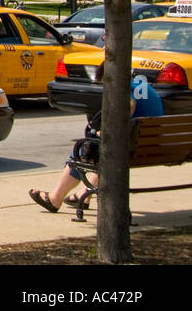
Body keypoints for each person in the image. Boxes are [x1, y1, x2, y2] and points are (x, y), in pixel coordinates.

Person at [30, 72, 164, 213]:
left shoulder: (123, 87)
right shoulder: (143, 86)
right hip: (151, 147)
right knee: (105, 154)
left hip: (132, 150)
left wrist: (109, 129)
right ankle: (84, 196)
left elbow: (130, 104)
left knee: (82, 151)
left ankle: (55, 198)